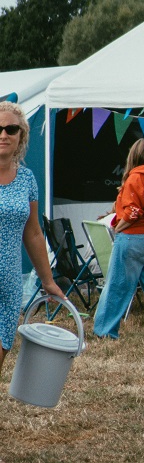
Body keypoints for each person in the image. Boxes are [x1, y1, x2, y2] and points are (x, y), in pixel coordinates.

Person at [0, 101, 65, 376]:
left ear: (21, 136)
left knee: (2, 348)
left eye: (10, 129)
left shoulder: (27, 179)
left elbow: (34, 233)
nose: (3, 134)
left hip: (10, 283)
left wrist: (48, 281)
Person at [92, 138, 144, 339]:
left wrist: (119, 228)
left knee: (117, 286)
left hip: (131, 238)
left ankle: (105, 331)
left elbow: (134, 211)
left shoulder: (134, 178)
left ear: (132, 157)